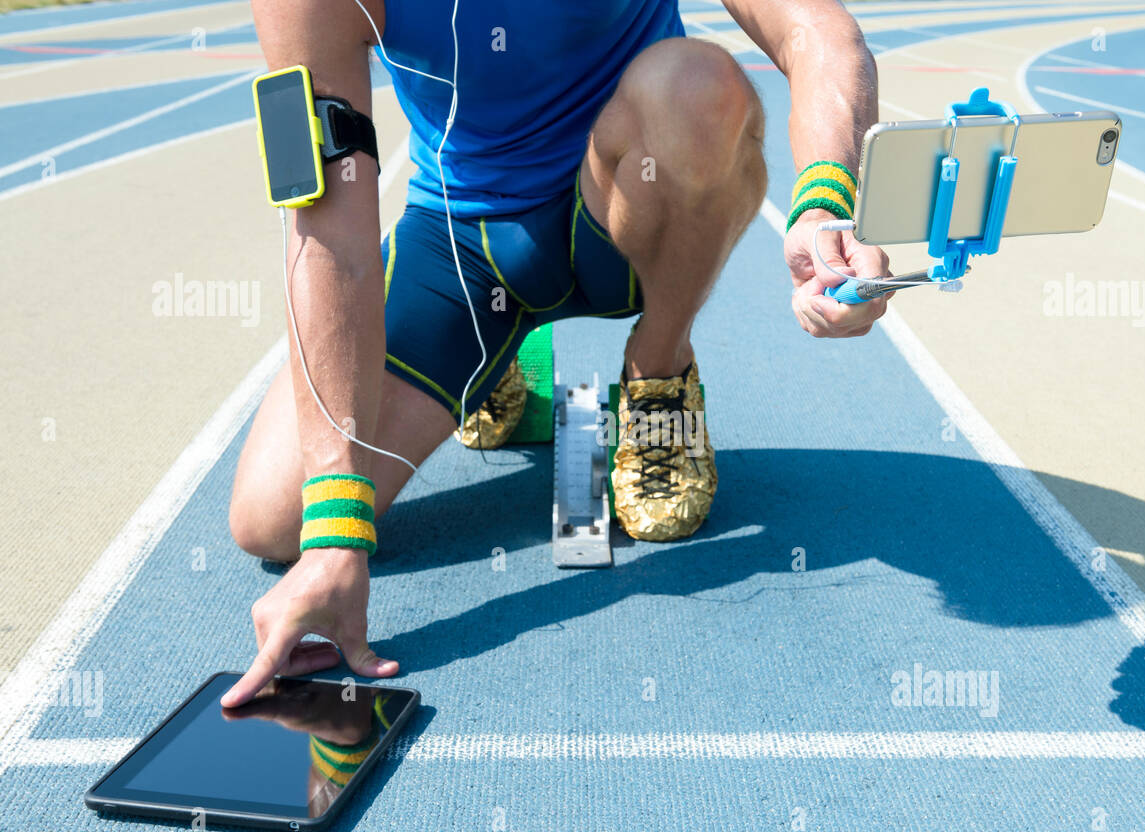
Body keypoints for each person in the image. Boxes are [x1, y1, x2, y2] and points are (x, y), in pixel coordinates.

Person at [222, 0, 892, 708]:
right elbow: (326, 213)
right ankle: (500, 357)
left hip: (625, 202)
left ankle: (658, 366)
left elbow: (819, 33)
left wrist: (826, 206)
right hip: (463, 243)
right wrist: (334, 531)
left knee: (701, 90)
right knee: (275, 518)